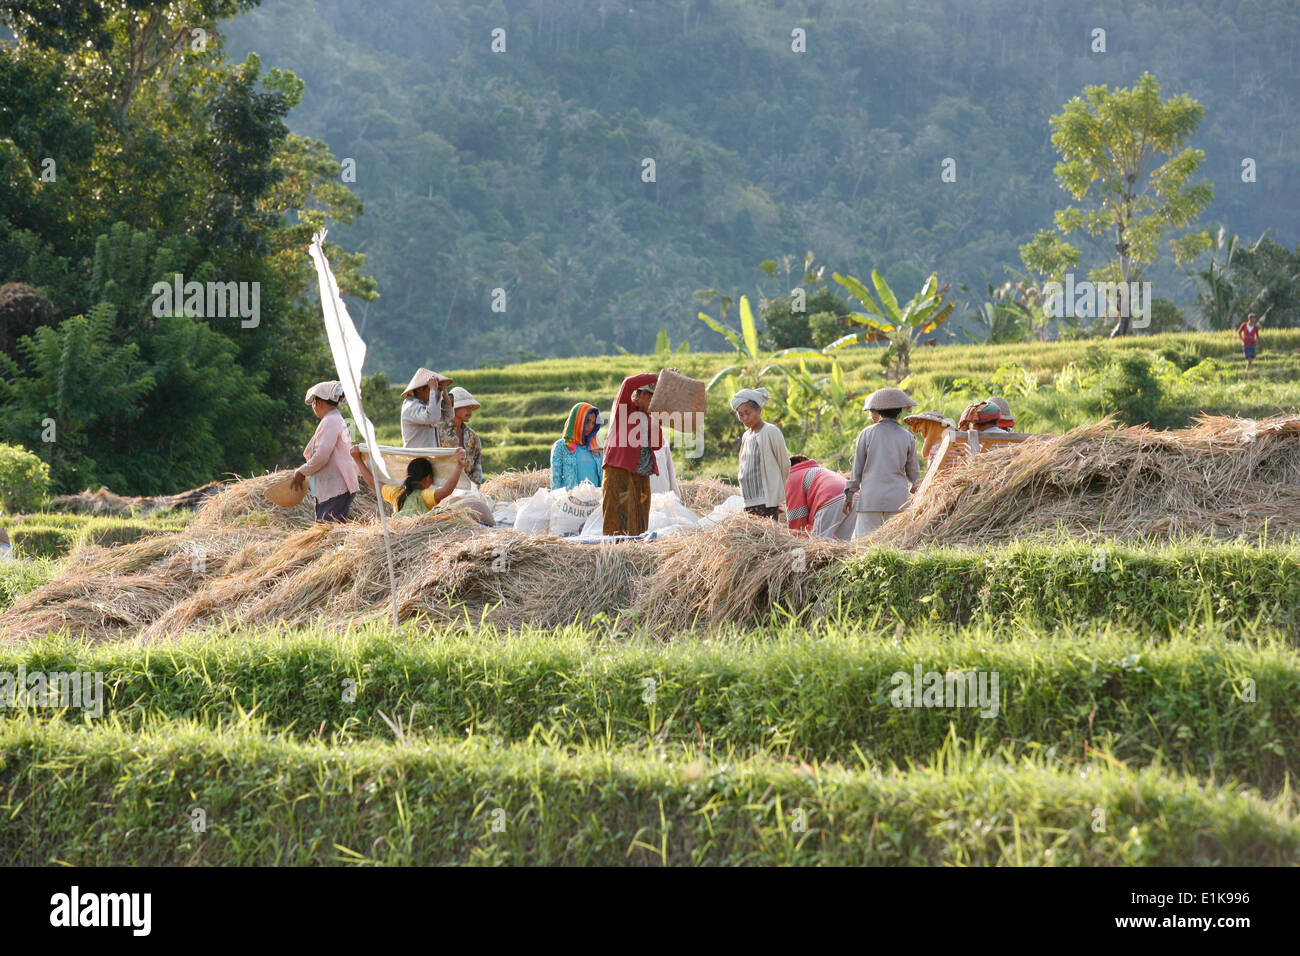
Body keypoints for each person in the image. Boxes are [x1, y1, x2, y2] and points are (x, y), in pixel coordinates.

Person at [843, 387, 920, 537]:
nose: (871, 414)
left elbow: (856, 471)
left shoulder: (866, 434)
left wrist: (849, 495)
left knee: (864, 547)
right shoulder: (908, 437)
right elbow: (914, 475)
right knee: (894, 546)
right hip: (898, 502)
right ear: (898, 412)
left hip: (871, 501)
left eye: (872, 411)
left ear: (878, 412)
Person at [602, 372, 665, 536]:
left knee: (640, 518)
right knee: (618, 517)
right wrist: (660, 376)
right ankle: (614, 554)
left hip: (642, 474)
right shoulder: (625, 406)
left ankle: (636, 553)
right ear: (643, 394)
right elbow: (628, 382)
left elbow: (657, 445)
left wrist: (657, 421)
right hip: (619, 469)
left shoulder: (650, 416)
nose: (654, 404)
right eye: (653, 400)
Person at [292, 381, 360, 523]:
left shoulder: (330, 421)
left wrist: (301, 472)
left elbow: (321, 456)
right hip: (337, 486)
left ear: (320, 403)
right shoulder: (335, 419)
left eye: (314, 402)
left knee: (327, 531)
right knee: (330, 529)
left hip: (336, 487)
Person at [351, 448, 470, 515]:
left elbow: (373, 484)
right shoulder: (424, 496)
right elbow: (446, 490)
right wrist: (459, 466)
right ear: (428, 478)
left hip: (398, 534)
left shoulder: (397, 493)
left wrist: (357, 459)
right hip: (416, 536)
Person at [731, 387, 789, 520]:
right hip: (749, 500)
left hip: (766, 501)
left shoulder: (770, 431)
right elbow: (743, 466)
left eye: (748, 413)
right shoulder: (746, 436)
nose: (745, 418)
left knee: (766, 537)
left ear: (759, 410)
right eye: (740, 414)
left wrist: (777, 494)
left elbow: (784, 464)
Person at [786, 456, 855, 539]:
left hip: (831, 499)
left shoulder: (792, 477)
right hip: (854, 497)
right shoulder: (815, 470)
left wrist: (794, 541)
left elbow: (797, 516)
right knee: (841, 544)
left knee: (819, 545)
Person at [435, 386, 483, 485]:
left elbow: (477, 465)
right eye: (466, 407)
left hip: (468, 488)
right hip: (443, 485)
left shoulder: (473, 436)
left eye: (471, 408)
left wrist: (474, 487)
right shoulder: (439, 431)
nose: (470, 411)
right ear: (454, 408)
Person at [551, 402, 603, 490]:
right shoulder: (561, 446)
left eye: (593, 423)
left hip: (595, 501)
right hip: (571, 501)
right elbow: (555, 479)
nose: (590, 426)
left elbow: (603, 479)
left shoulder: (597, 448)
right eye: (587, 421)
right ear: (577, 420)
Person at [400, 367, 453, 447]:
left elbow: (448, 416)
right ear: (420, 389)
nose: (435, 392)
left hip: (428, 458)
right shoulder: (411, 406)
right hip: (417, 458)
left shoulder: (427, 406)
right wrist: (433, 389)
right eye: (431, 389)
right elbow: (433, 417)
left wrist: (443, 391)